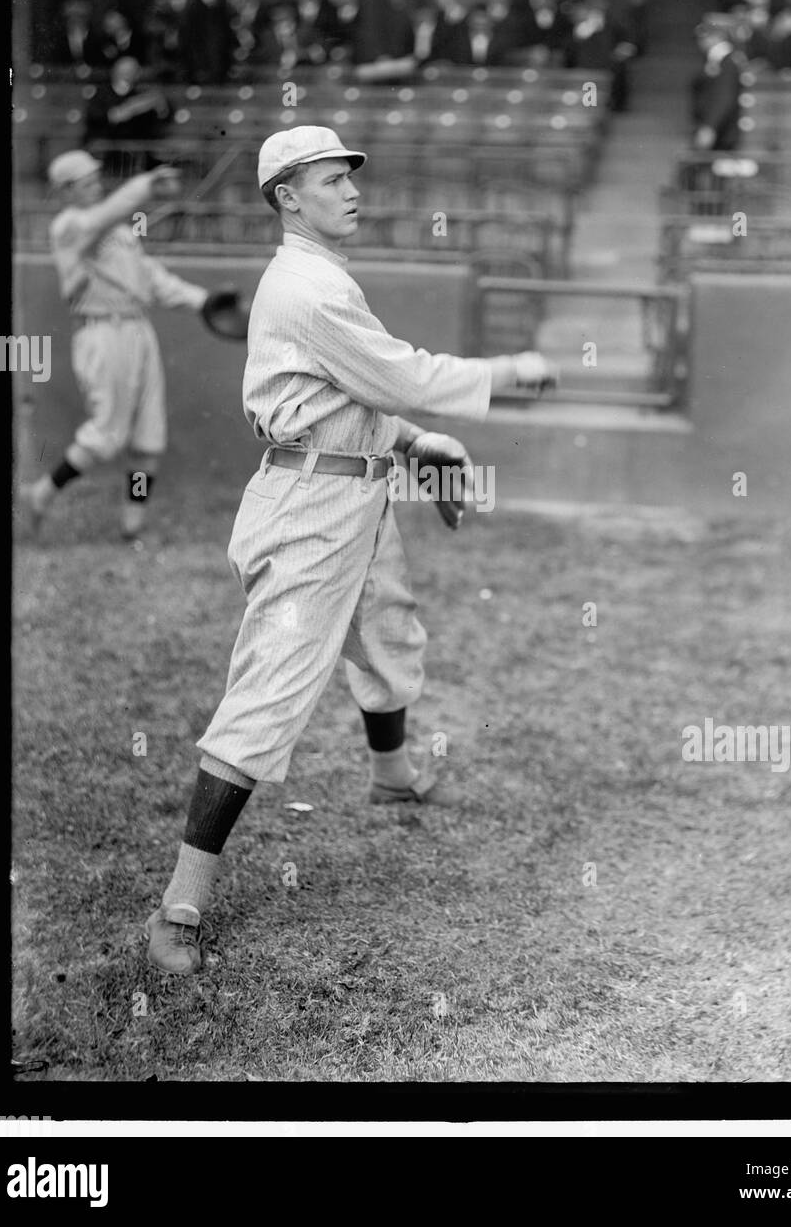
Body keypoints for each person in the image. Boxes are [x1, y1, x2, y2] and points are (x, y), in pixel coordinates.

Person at [145, 124, 556, 975]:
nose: (350, 191)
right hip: (308, 504)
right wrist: (511, 368)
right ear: (287, 198)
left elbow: (356, 396)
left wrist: (414, 444)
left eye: (349, 178)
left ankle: (393, 776)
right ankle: (178, 907)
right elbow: (401, 375)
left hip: (354, 485)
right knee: (271, 688)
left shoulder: (321, 275)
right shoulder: (304, 286)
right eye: (329, 181)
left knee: (388, 633)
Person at [20, 152, 210, 541]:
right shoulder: (68, 226)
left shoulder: (121, 233)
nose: (96, 186)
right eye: (86, 182)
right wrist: (145, 186)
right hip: (101, 333)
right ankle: (42, 493)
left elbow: (152, 280)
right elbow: (101, 217)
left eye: (96, 178)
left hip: (138, 331)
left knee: (147, 437)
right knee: (106, 434)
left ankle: (132, 526)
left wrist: (204, 301)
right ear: (66, 190)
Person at [691, 14, 741, 151]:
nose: (701, 41)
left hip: (721, 132)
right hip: (714, 129)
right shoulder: (716, 60)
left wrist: (710, 126)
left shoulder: (726, 62)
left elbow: (724, 96)